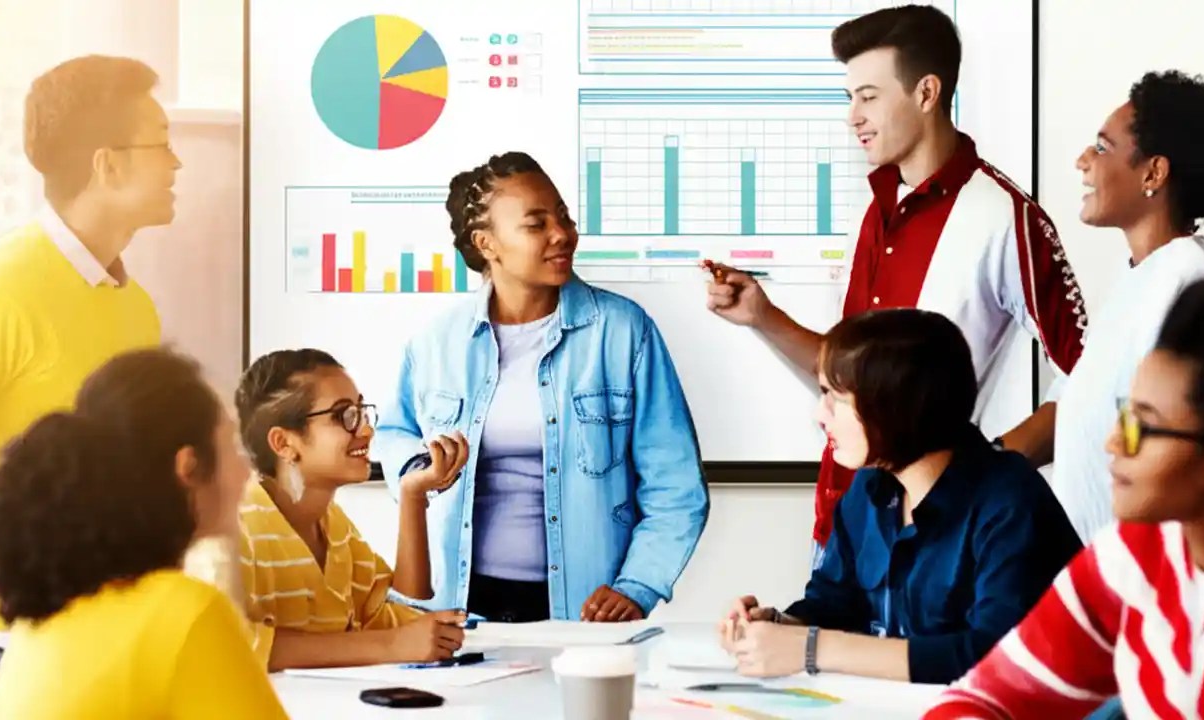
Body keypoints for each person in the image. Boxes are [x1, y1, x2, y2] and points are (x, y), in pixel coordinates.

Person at [702, 4, 1087, 568]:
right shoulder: (879, 211)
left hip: (932, 537)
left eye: (869, 96)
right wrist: (762, 315)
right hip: (841, 524)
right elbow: (847, 376)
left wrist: (994, 465)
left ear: (927, 92)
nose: (852, 116)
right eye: (849, 98)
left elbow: (1092, 380)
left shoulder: (1005, 216)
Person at [377, 151, 709, 623]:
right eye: (536, 224)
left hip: (581, 609)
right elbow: (393, 434)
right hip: (454, 607)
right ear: (486, 243)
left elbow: (676, 486)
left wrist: (639, 585)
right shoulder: (437, 342)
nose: (562, 234)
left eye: (564, 217)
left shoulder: (622, 332)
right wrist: (420, 469)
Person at [0, 55, 179, 629]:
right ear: (109, 166)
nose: (176, 163)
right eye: (162, 144)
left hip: (106, 622)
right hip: (5, 635)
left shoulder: (135, 305)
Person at [719, 309, 1081, 685]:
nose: (819, 414)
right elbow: (833, 605)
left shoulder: (1010, 502)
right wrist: (780, 627)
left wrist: (810, 649)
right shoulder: (867, 491)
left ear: (894, 405)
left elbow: (993, 657)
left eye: (834, 397)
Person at [925, 277, 1204, 720]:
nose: (1113, 443)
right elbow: (988, 694)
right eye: (1123, 414)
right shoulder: (1134, 555)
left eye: (1143, 426)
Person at [0, 349, 288, 719]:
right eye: (232, 447)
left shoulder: (45, 617)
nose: (245, 472)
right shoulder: (183, 609)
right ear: (187, 468)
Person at [1051, 70, 1204, 544]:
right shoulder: (1140, 277)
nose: (1083, 161)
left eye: (1102, 148)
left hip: (1142, 577)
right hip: (1102, 575)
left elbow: (1161, 427)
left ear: (1153, 172)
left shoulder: (1185, 281)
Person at [234, 349, 470, 670]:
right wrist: (391, 645)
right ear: (283, 443)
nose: (366, 430)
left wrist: (412, 495)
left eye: (361, 411)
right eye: (344, 416)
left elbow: (398, 613)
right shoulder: (237, 528)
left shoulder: (336, 528)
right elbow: (233, 644)